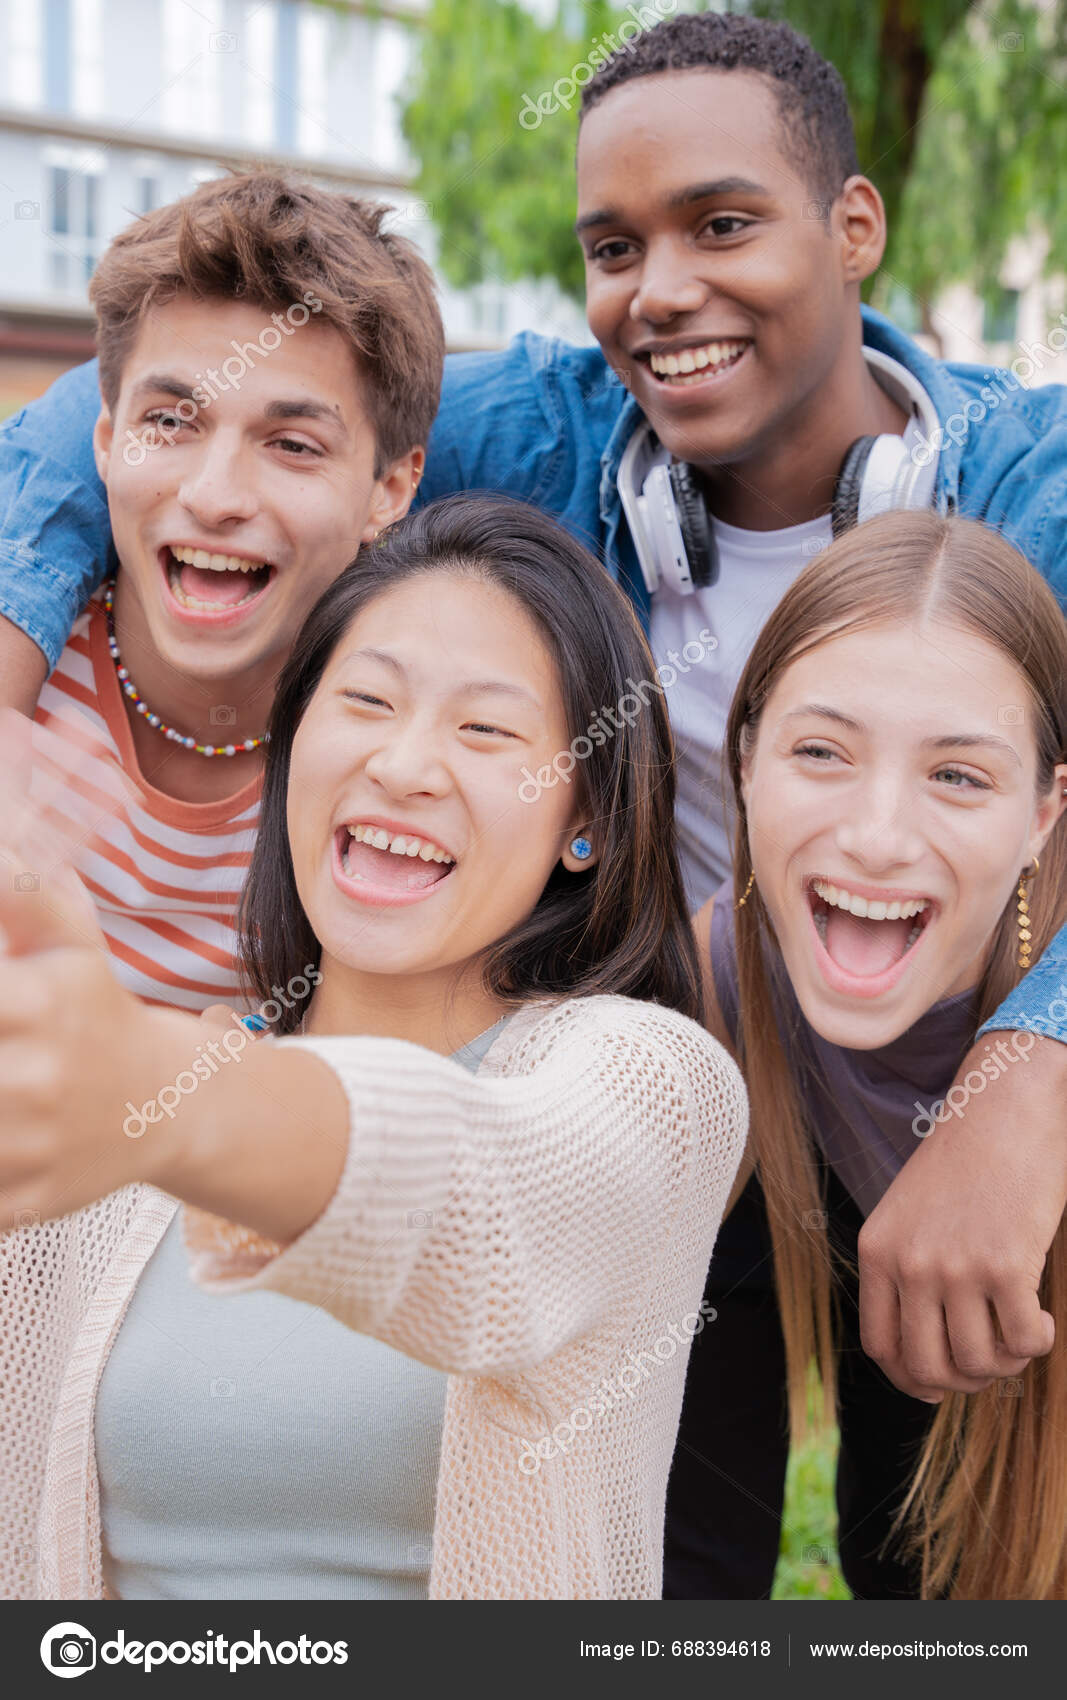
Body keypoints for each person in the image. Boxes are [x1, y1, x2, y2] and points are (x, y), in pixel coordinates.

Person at [1, 10, 1065, 1591]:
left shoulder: (1029, 485)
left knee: (952, 1564)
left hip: (951, 1091)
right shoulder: (539, 431)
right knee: (665, 1544)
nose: (662, 292)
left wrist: (1024, 1070)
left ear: (855, 228)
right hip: (729, 1066)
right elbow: (136, 419)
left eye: (720, 224)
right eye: (609, 244)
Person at [0, 495, 747, 1602]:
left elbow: (481, 1205)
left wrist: (159, 1094)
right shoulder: (120, 1115)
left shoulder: (648, 1084)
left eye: (484, 730)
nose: (403, 764)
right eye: (364, 702)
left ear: (583, 815)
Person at [684, 507, 1066, 1598]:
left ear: (1044, 813)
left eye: (956, 775)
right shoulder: (709, 990)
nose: (876, 835)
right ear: (744, 757)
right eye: (819, 751)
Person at [25, 167, 438, 1009]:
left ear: (389, 489)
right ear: (105, 439)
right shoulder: (24, 676)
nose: (214, 496)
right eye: (170, 423)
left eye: (291, 444)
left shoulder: (408, 769)